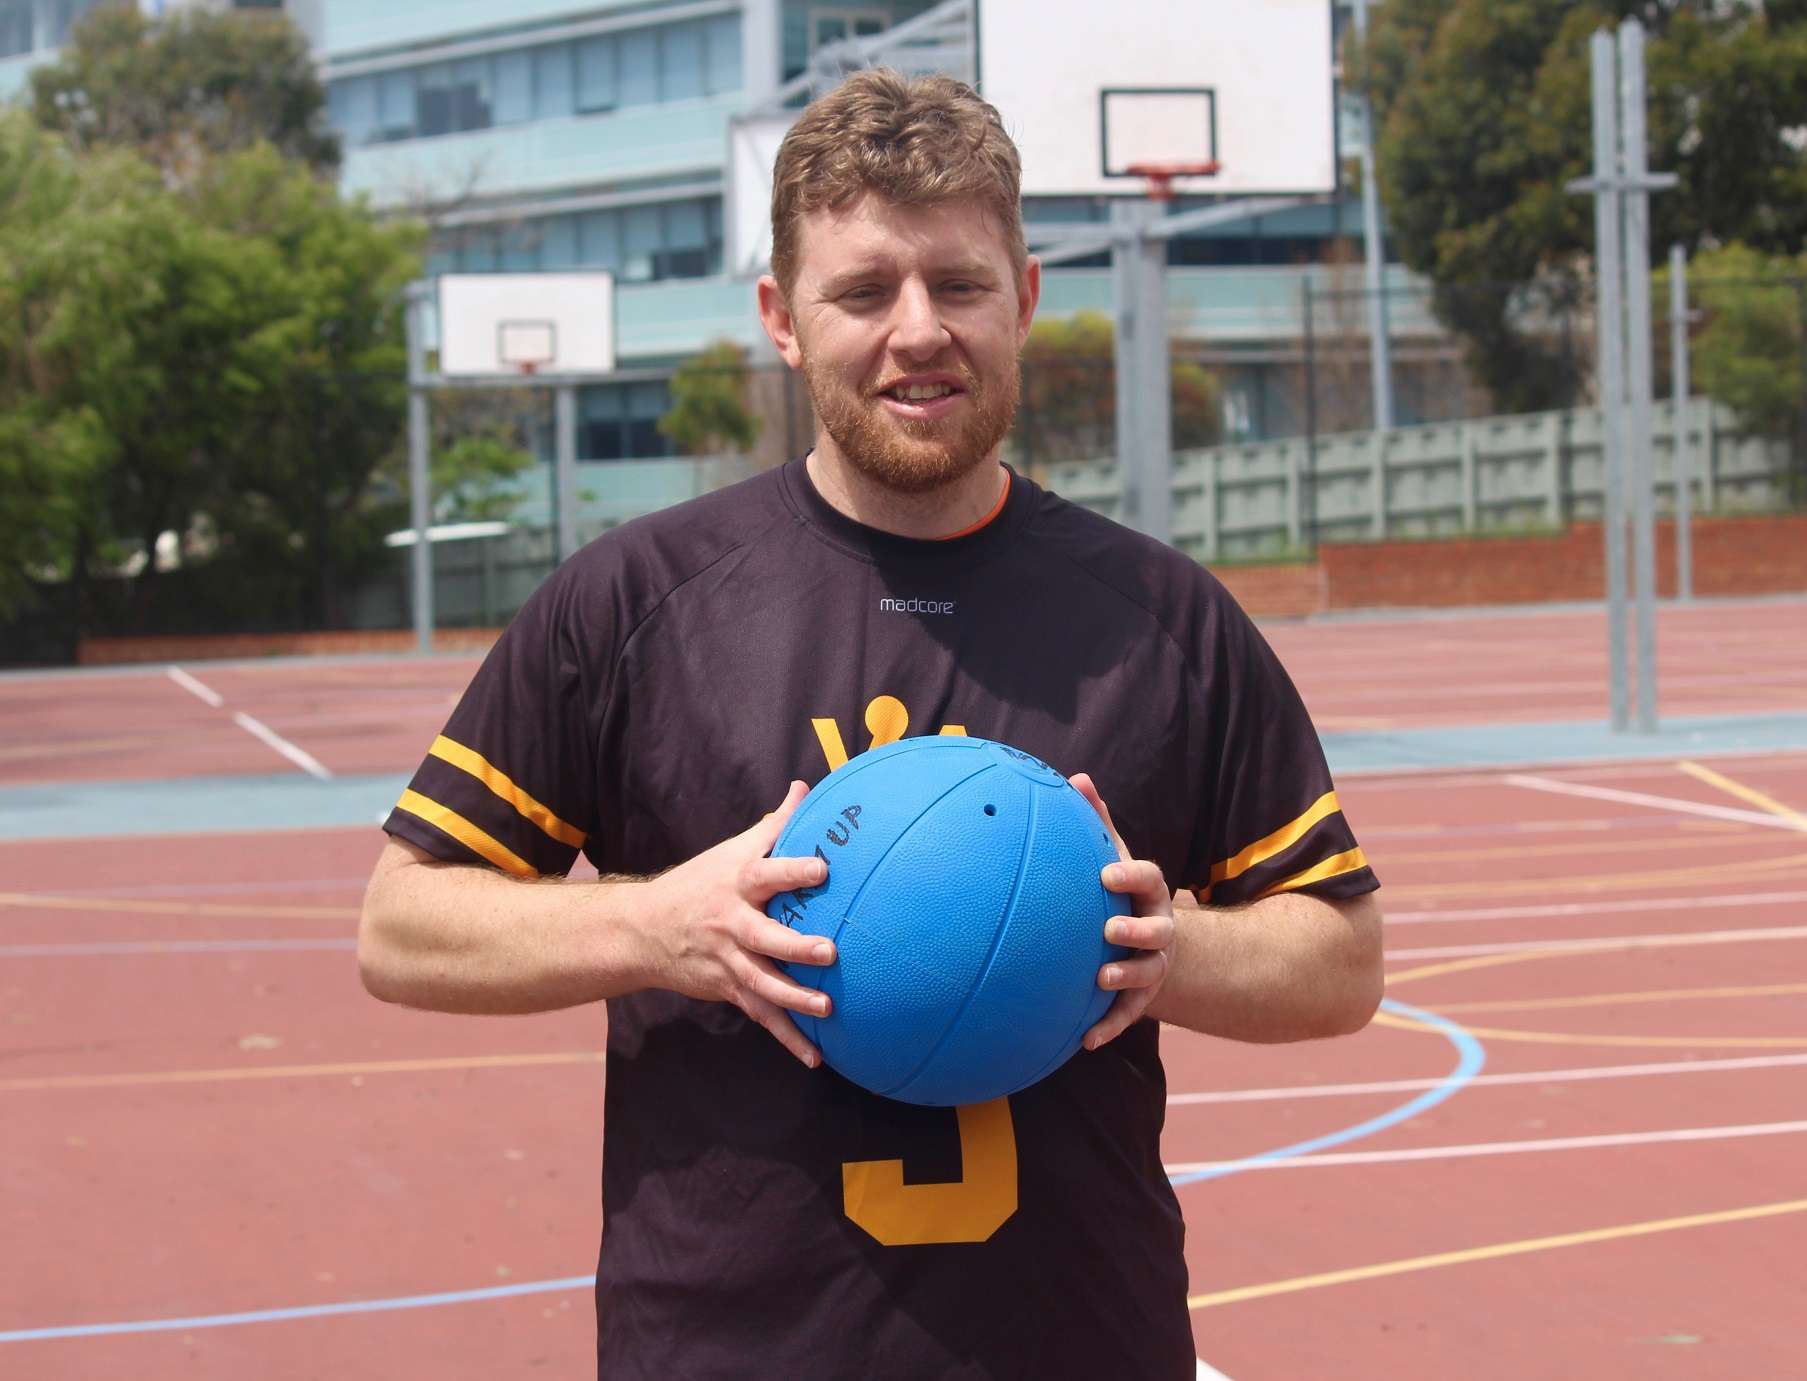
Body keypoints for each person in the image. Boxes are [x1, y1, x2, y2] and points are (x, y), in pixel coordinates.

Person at [360, 69, 1383, 1380]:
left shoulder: (1159, 617)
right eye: (864, 291)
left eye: (958, 285)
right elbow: (400, 923)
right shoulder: (635, 603)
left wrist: (1158, 951)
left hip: (1082, 1344)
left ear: (1023, 295)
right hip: (726, 1347)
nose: (918, 332)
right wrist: (662, 925)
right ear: (783, 319)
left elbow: (1343, 959)